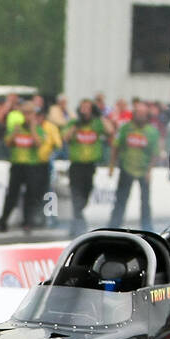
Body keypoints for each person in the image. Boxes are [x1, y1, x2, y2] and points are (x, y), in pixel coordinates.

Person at [0, 106, 49, 233]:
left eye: (30, 113)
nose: (27, 116)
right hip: (17, 165)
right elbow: (7, 143)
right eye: (25, 113)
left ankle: (27, 222)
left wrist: (33, 129)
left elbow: (39, 144)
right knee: (12, 194)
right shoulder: (16, 128)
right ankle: (3, 222)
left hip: (32, 165)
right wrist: (15, 132)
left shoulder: (38, 129)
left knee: (30, 195)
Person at [108, 100, 160, 232]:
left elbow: (155, 153)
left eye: (142, 113)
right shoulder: (125, 128)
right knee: (121, 198)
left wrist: (150, 171)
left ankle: (147, 227)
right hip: (126, 167)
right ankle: (114, 225)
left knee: (145, 201)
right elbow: (116, 146)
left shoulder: (152, 131)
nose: (140, 116)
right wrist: (112, 166)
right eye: (137, 113)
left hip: (143, 169)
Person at [63, 98, 109, 238]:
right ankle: (79, 225)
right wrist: (75, 126)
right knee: (76, 195)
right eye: (82, 108)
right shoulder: (73, 123)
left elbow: (110, 131)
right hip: (76, 165)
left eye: (88, 108)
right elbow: (65, 138)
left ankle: (75, 223)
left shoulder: (96, 124)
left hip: (90, 166)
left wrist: (100, 115)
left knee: (85, 195)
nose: (85, 111)